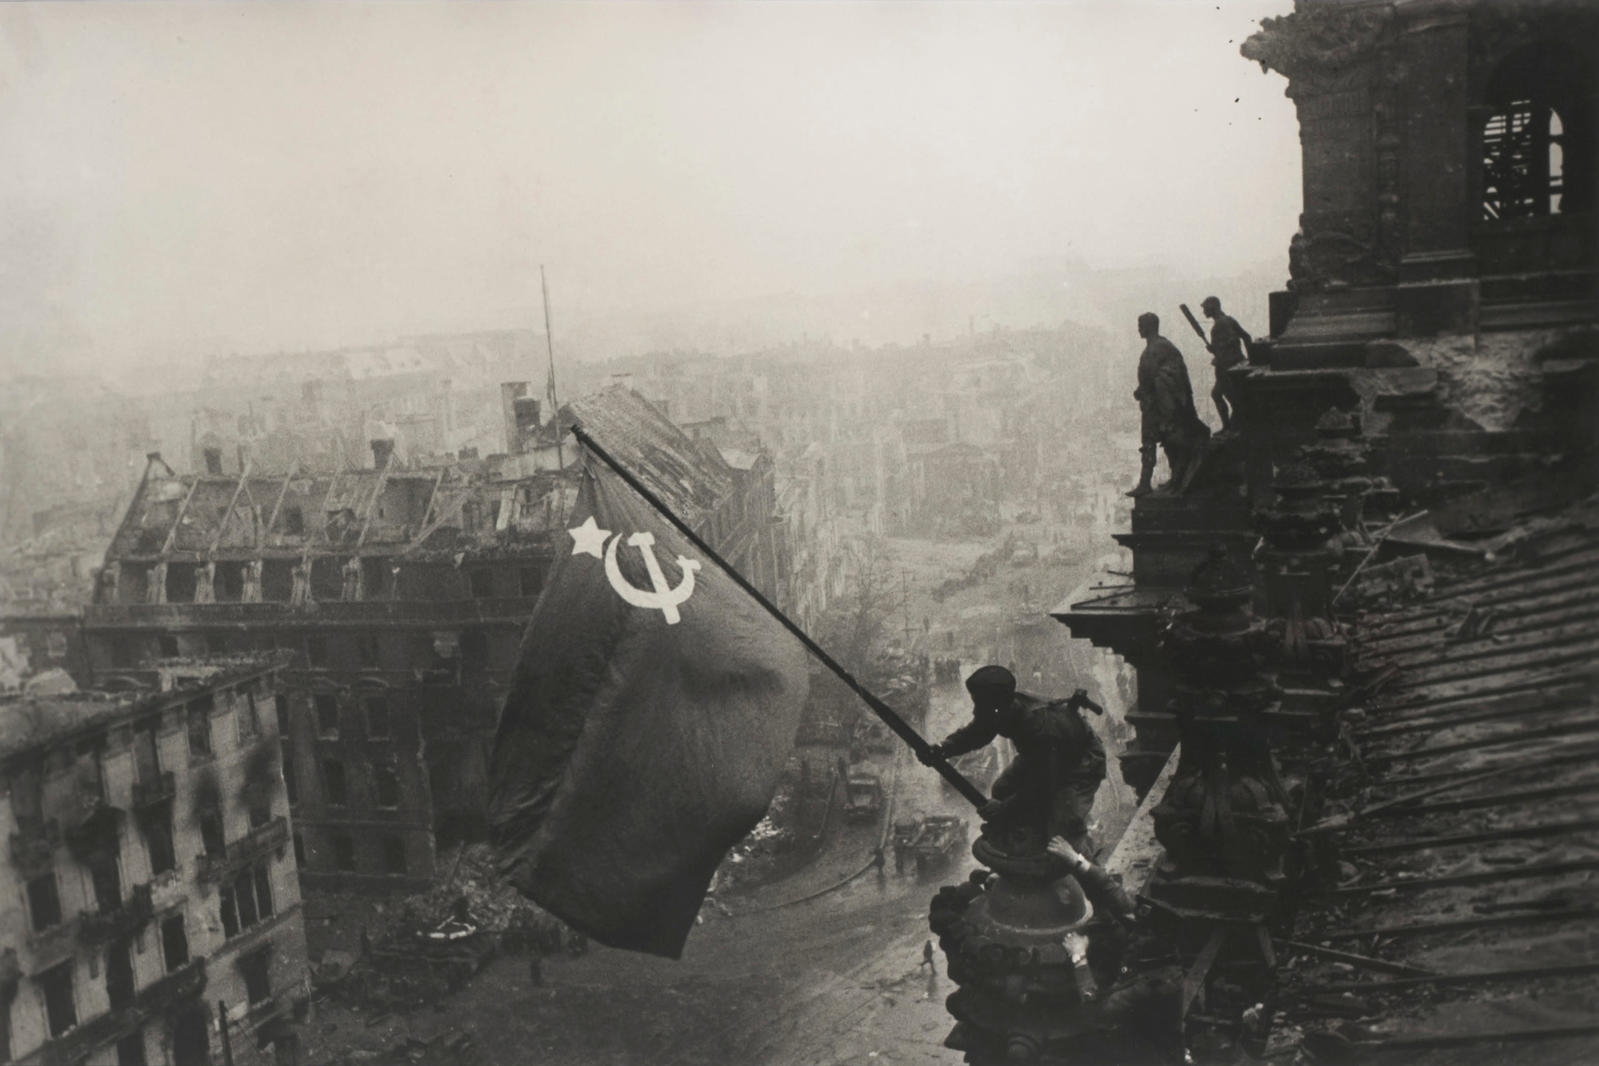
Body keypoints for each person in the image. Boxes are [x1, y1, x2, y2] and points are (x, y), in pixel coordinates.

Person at [919, 665, 1106, 852]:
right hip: (1041, 755)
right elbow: (978, 733)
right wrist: (943, 748)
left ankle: (1081, 862)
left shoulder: (1039, 728)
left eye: (979, 704)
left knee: (1062, 824)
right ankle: (1025, 838)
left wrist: (1004, 809)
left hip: (1080, 761)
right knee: (1002, 788)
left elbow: (1044, 784)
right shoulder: (1001, 707)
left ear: (998, 705)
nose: (976, 710)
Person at [1128, 312, 1209, 497]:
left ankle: (1153, 482)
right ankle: (1160, 481)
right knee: (1158, 442)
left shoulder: (1159, 347)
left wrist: (1145, 390)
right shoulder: (1159, 346)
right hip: (1156, 403)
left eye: (1141, 325)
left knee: (1159, 442)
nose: (1138, 329)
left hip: (1162, 406)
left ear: (1149, 326)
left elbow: (1166, 376)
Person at [1201, 296, 1252, 432]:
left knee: (1221, 395)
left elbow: (1232, 341)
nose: (1203, 311)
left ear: (1213, 307)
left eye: (1205, 307)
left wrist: (1216, 349)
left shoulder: (1220, 324)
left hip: (1227, 367)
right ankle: (1232, 425)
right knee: (1228, 396)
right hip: (1232, 365)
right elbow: (1245, 337)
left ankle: (1230, 426)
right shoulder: (1228, 320)